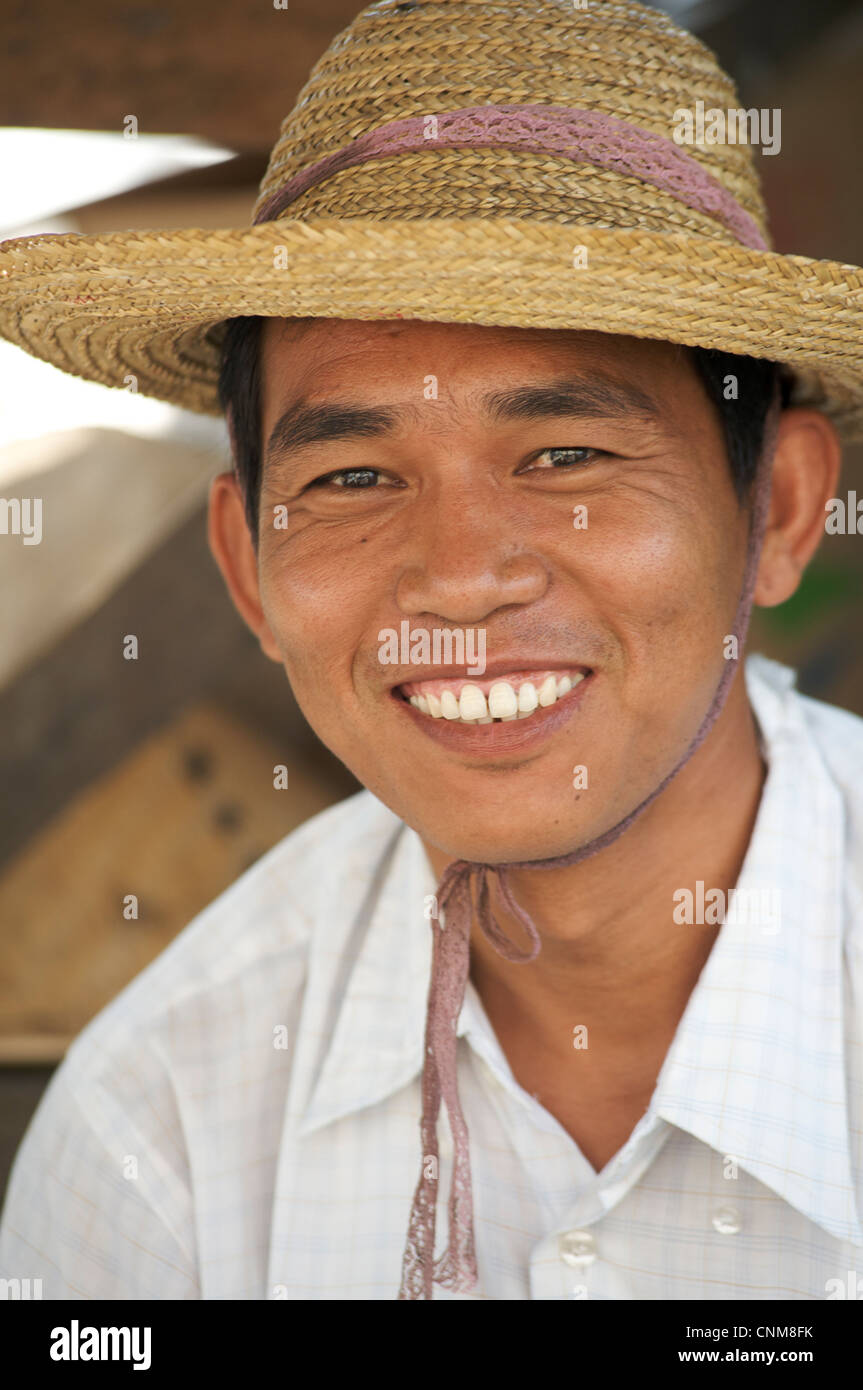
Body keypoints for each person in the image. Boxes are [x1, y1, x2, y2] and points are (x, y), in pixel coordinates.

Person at [1, 0, 862, 1301]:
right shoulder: (159, 1125)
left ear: (778, 514)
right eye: (353, 474)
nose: (461, 575)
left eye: (567, 455)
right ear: (247, 568)